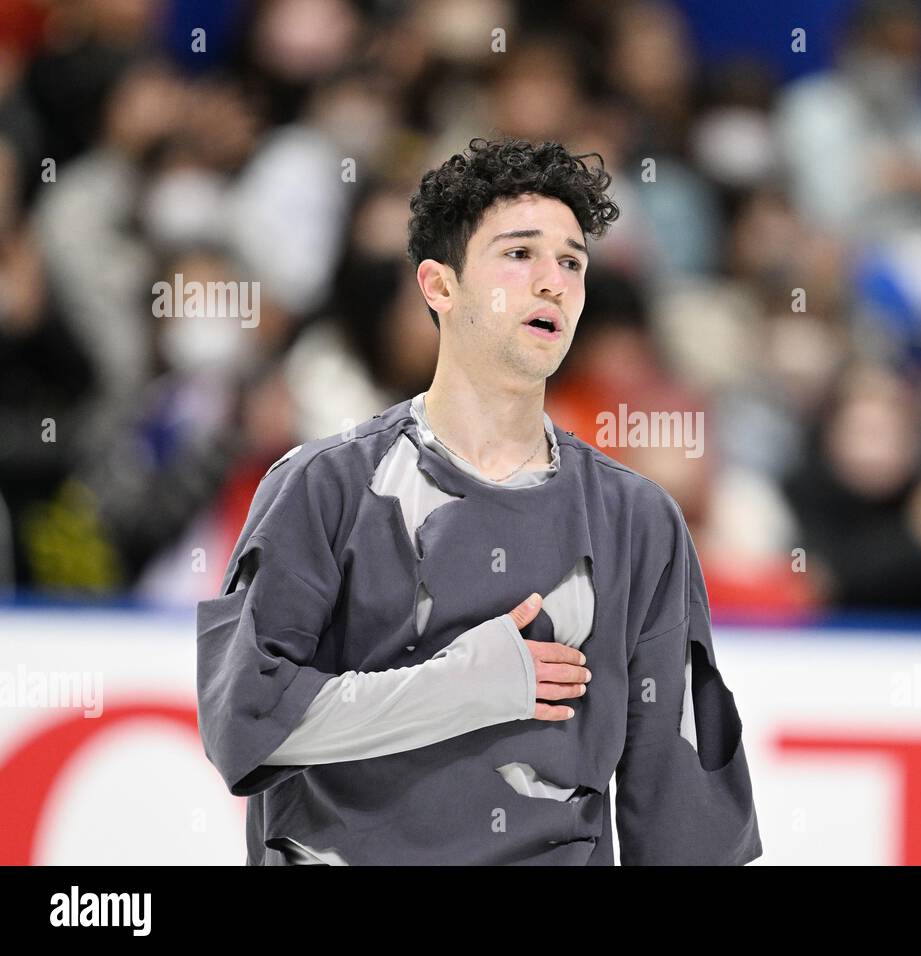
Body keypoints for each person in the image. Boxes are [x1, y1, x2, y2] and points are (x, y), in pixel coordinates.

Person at [195, 137, 762, 865]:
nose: (552, 282)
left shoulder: (638, 522)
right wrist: (462, 684)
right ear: (438, 285)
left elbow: (686, 819)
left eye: (572, 263)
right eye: (520, 254)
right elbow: (244, 722)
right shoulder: (323, 487)